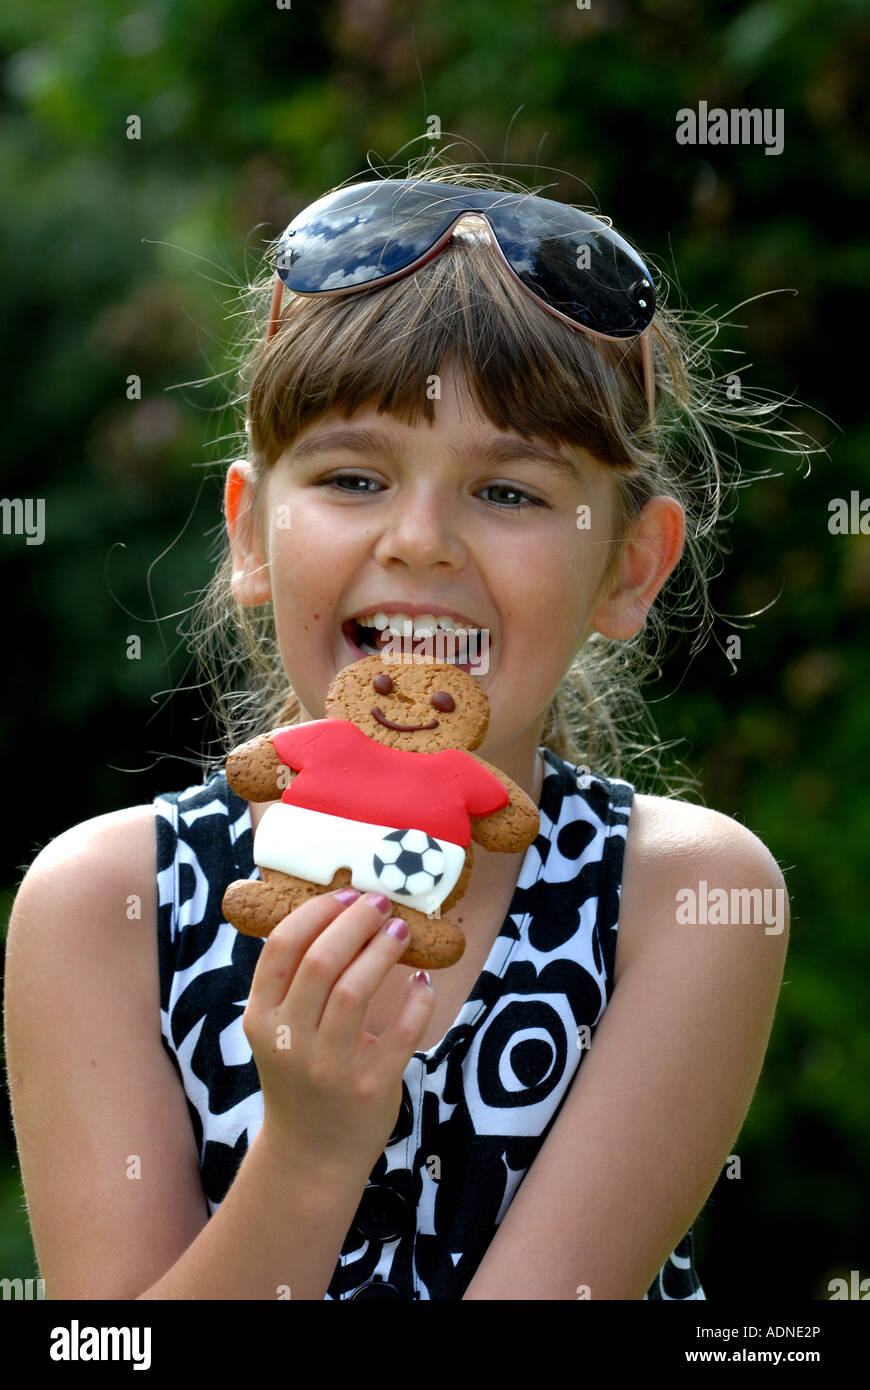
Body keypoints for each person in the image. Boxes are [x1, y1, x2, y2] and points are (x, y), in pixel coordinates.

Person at [4, 164, 803, 1301]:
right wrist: (313, 1152)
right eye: (353, 475)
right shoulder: (105, 907)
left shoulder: (684, 900)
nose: (421, 541)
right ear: (251, 536)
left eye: (511, 493)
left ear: (630, 568)